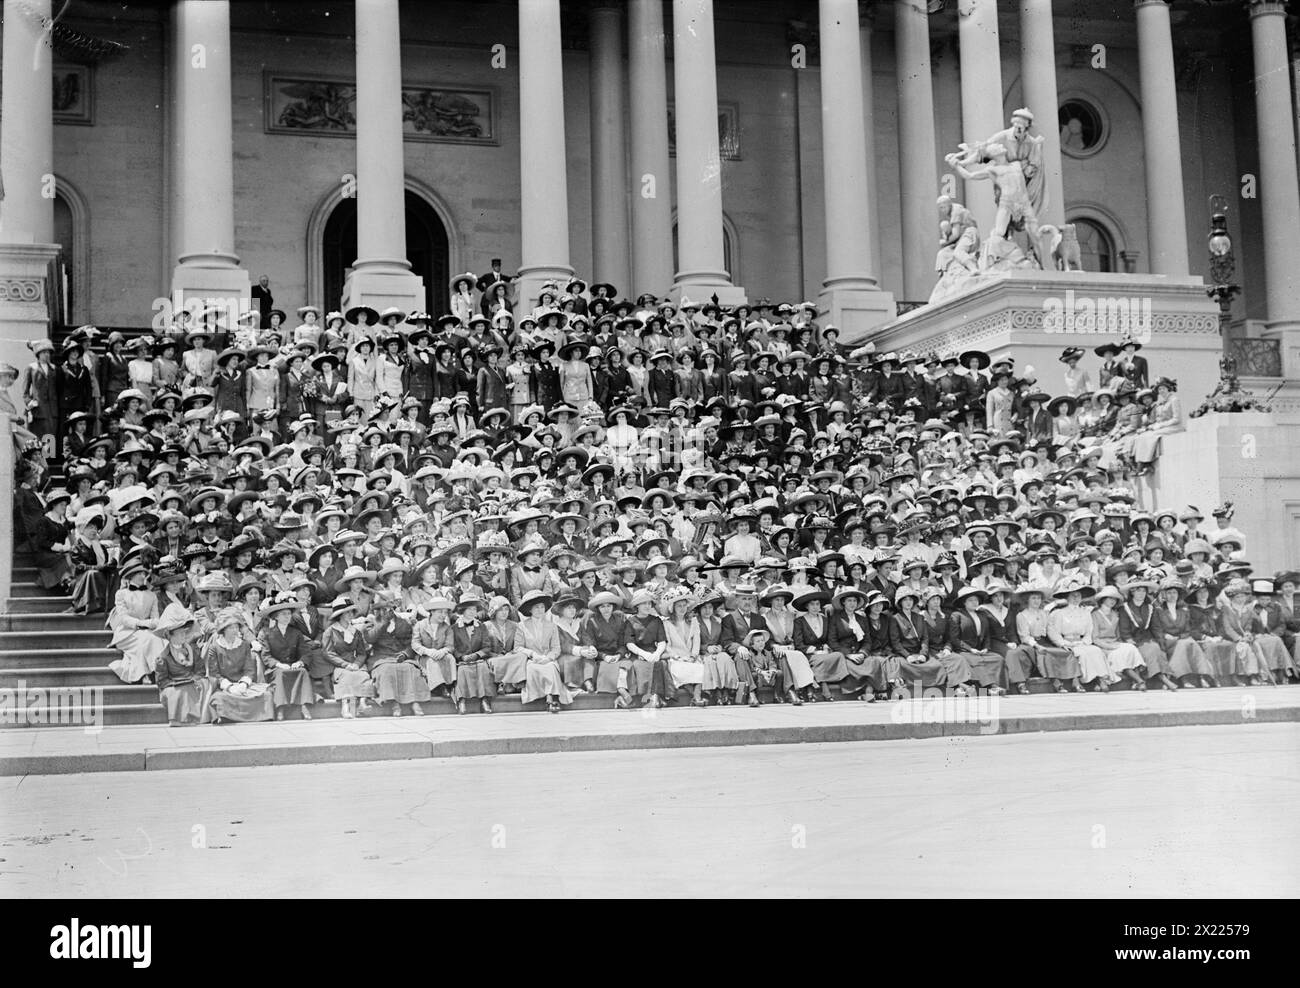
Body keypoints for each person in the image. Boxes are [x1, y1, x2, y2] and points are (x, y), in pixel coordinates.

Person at [204, 606, 275, 723]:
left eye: (236, 627)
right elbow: (214, 673)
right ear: (224, 629)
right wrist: (230, 687)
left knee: (266, 695)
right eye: (231, 627)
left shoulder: (244, 645)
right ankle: (227, 716)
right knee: (219, 698)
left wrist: (243, 684)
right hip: (226, 687)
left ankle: (256, 715)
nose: (235, 630)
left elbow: (249, 669)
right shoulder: (215, 647)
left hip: (243, 684)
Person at [152, 603, 211, 726]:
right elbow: (162, 681)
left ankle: (202, 717)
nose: (184, 636)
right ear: (169, 636)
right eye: (179, 634)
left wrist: (195, 678)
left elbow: (200, 670)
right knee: (179, 691)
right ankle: (182, 719)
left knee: (207, 684)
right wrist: (179, 682)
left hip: (193, 681)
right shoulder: (163, 657)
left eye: (184, 633)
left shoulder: (191, 650)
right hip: (174, 684)